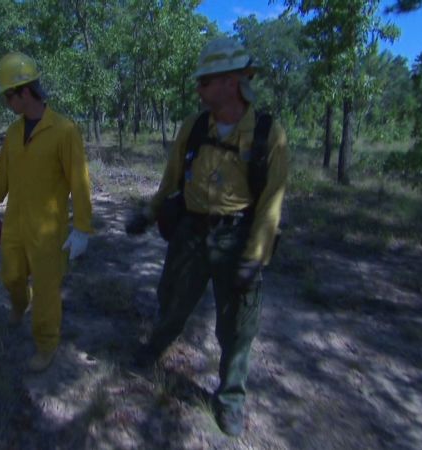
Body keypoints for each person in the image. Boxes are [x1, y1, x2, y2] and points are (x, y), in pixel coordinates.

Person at [124, 38, 288, 436]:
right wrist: (150, 212)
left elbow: (271, 201)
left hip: (237, 240)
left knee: (236, 326)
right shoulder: (194, 126)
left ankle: (230, 398)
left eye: (205, 81)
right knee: (172, 302)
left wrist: (256, 257)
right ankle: (154, 348)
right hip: (191, 235)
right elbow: (172, 178)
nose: (198, 89)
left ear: (232, 83)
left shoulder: (268, 134)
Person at [0, 52, 93, 372]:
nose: (6, 102)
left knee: (46, 293)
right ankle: (18, 303)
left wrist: (82, 227)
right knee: (10, 275)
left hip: (48, 231)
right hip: (14, 224)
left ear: (25, 92)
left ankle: (46, 343)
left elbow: (80, 183)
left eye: (8, 95)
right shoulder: (13, 133)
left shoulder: (64, 131)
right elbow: (2, 173)